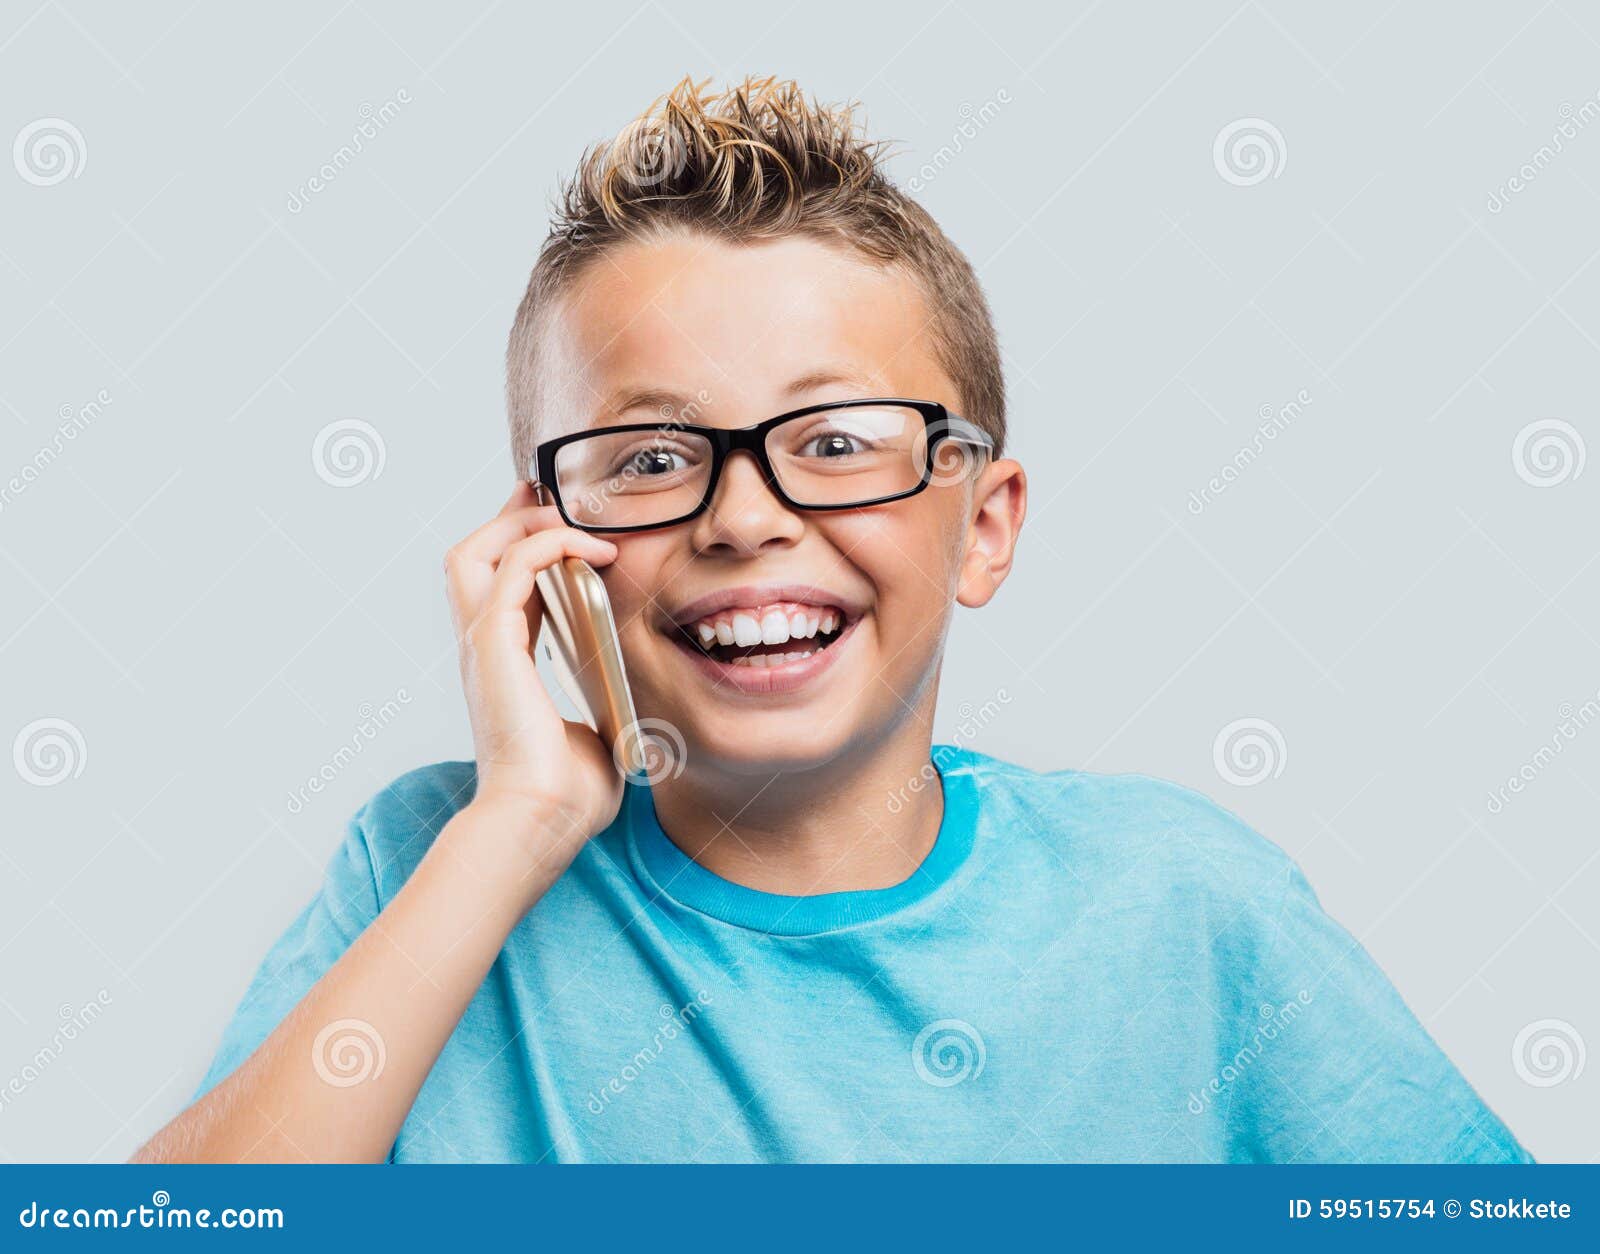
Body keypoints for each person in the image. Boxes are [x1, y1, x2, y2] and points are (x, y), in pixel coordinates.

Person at [134, 76, 1529, 1164]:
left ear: (981, 521)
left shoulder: (1185, 909)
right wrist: (514, 829)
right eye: (651, 458)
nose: (743, 516)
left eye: (841, 441)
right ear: (545, 554)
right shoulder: (428, 873)